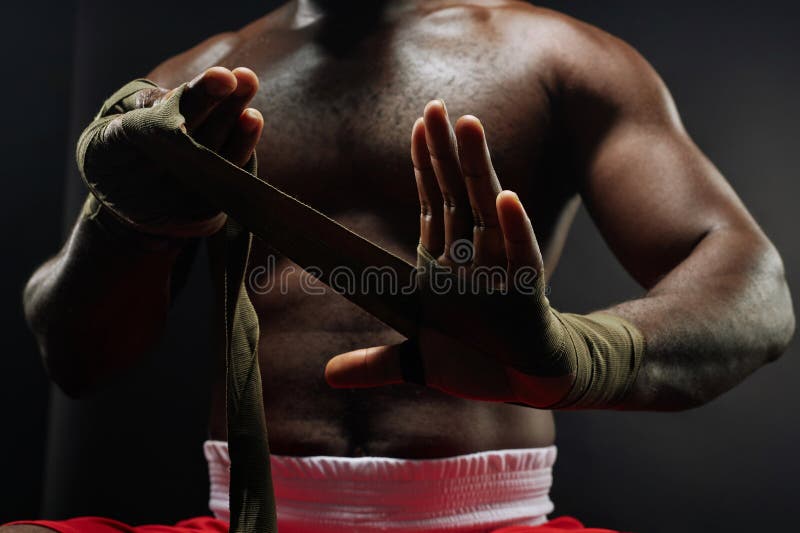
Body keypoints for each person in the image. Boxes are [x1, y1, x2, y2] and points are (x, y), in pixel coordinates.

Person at [5, 0, 794, 531]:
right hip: (249, 515)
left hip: (495, 519)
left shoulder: (558, 57)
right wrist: (126, 224)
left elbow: (753, 289)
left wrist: (583, 354)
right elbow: (74, 356)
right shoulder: (192, 83)